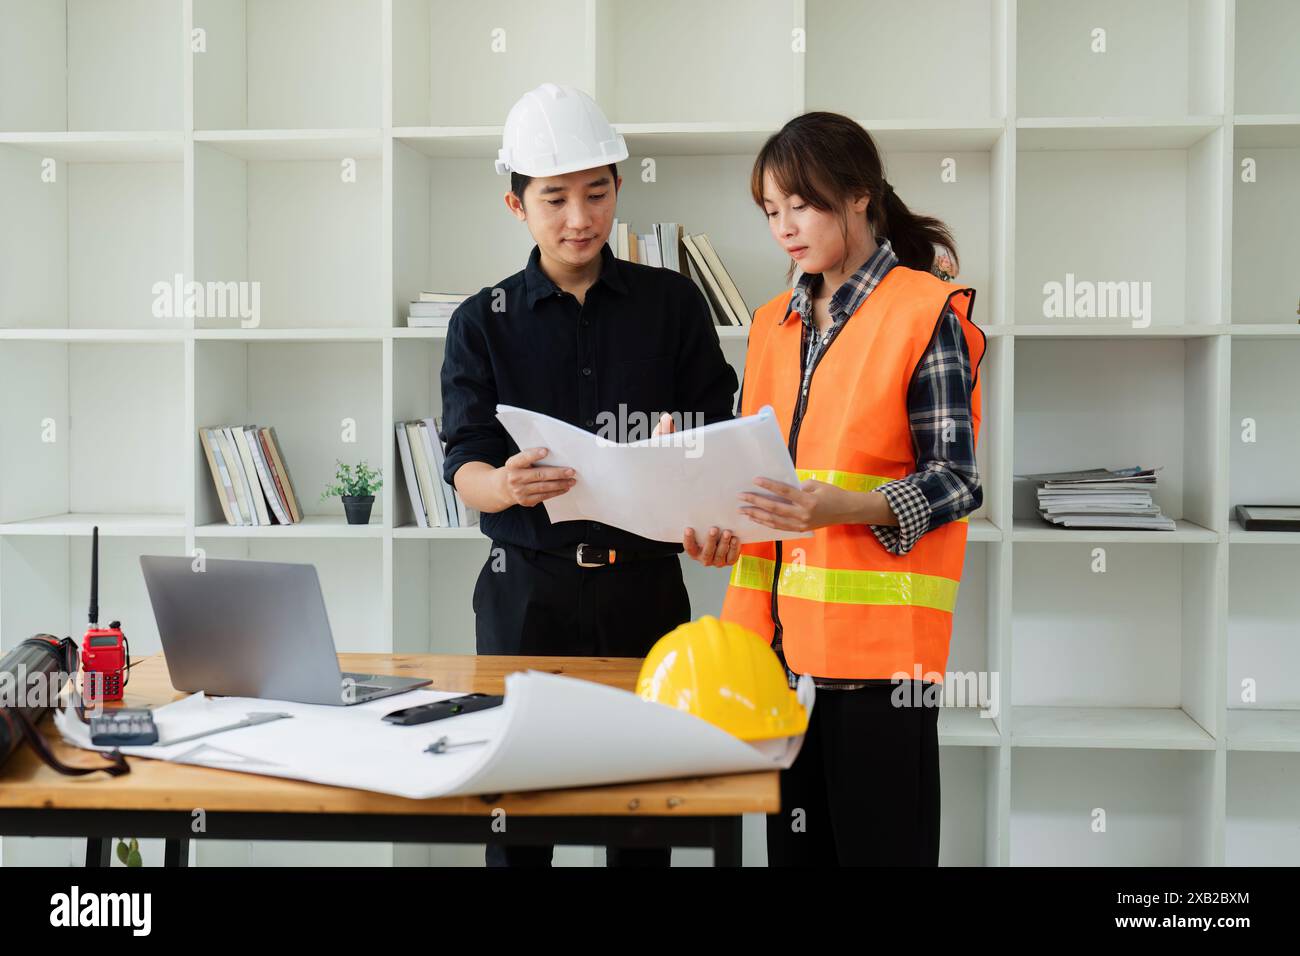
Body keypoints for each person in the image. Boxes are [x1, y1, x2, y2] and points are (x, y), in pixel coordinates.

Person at [439, 83, 741, 867]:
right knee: (517, 820)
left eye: (597, 193)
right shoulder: (480, 320)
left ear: (617, 189)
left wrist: (701, 485)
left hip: (646, 593)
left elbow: (719, 431)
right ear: (517, 207)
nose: (581, 218)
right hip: (524, 594)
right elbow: (461, 464)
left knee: (643, 817)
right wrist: (503, 486)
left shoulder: (673, 306)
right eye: (556, 198)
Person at [720, 112, 987, 866]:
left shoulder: (921, 309)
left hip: (880, 673)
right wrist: (722, 527)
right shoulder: (772, 322)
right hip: (778, 662)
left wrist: (851, 507)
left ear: (859, 195)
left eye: (799, 205)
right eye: (771, 212)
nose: (784, 228)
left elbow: (957, 481)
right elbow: (754, 472)